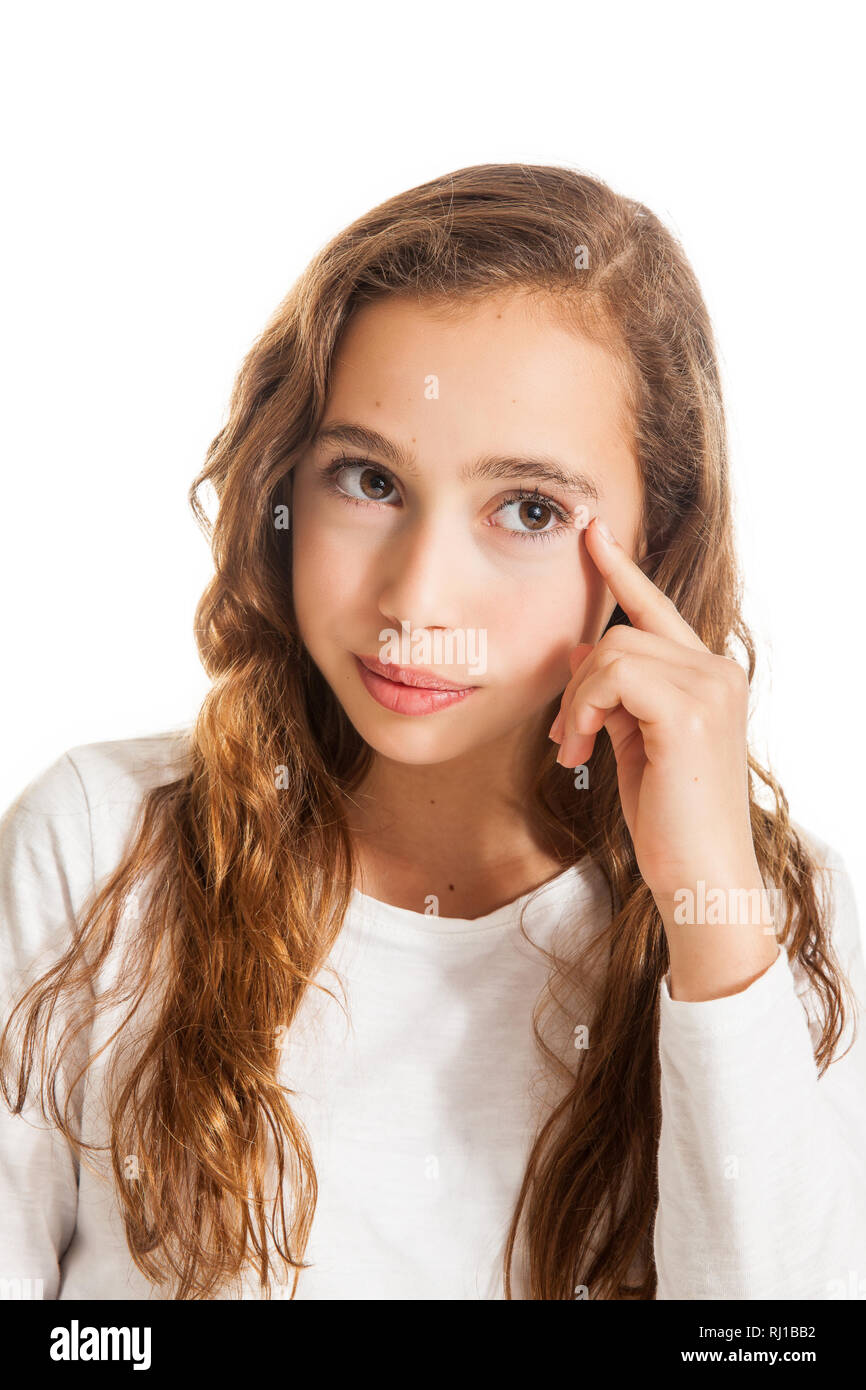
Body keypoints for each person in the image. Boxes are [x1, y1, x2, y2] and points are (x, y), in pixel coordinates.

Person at [1, 163, 864, 1301]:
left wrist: (709, 915)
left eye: (528, 511)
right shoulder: (100, 848)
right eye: (367, 479)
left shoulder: (771, 920)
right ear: (281, 483)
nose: (417, 602)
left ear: (655, 548)